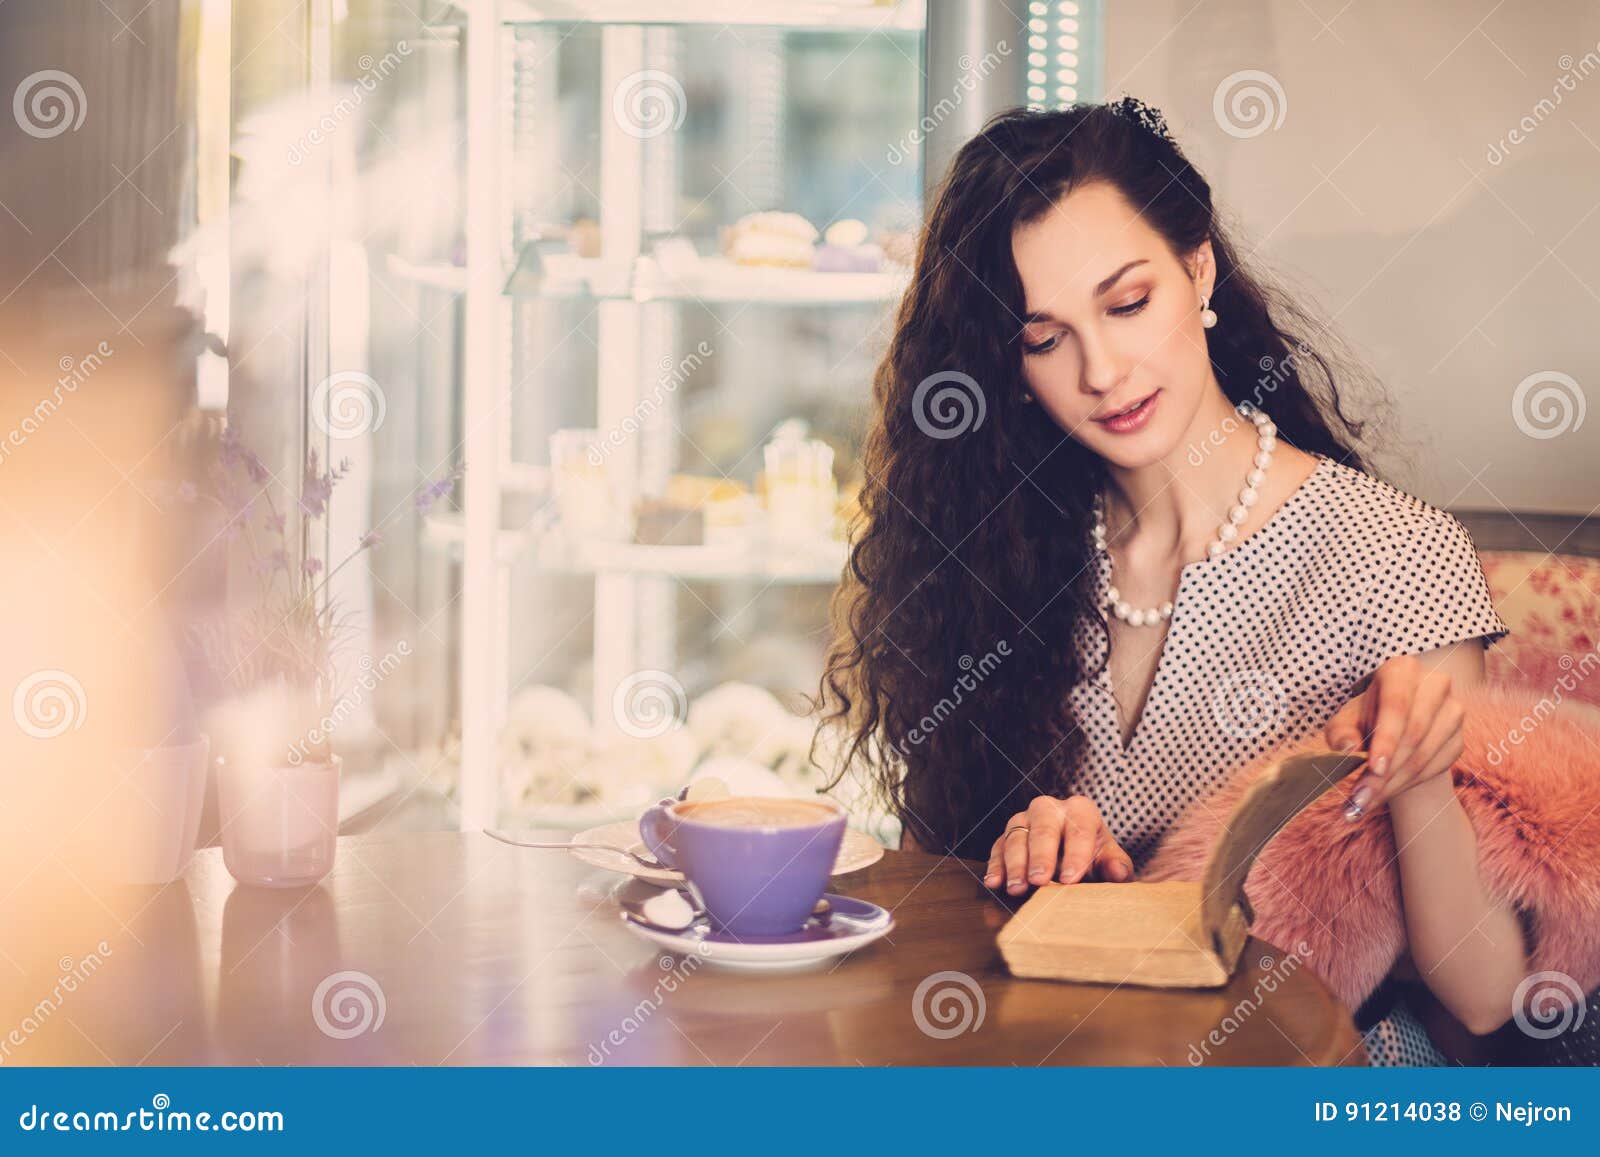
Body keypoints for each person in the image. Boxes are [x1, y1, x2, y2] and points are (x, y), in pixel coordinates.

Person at [816, 97, 1521, 1065]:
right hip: (1073, 1061)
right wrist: (1033, 857)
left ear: (1196, 270)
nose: (1101, 370)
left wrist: (1423, 774)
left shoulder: (1394, 557)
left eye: (1126, 302)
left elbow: (1483, 996)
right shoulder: (1001, 557)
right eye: (1043, 336)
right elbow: (957, 939)